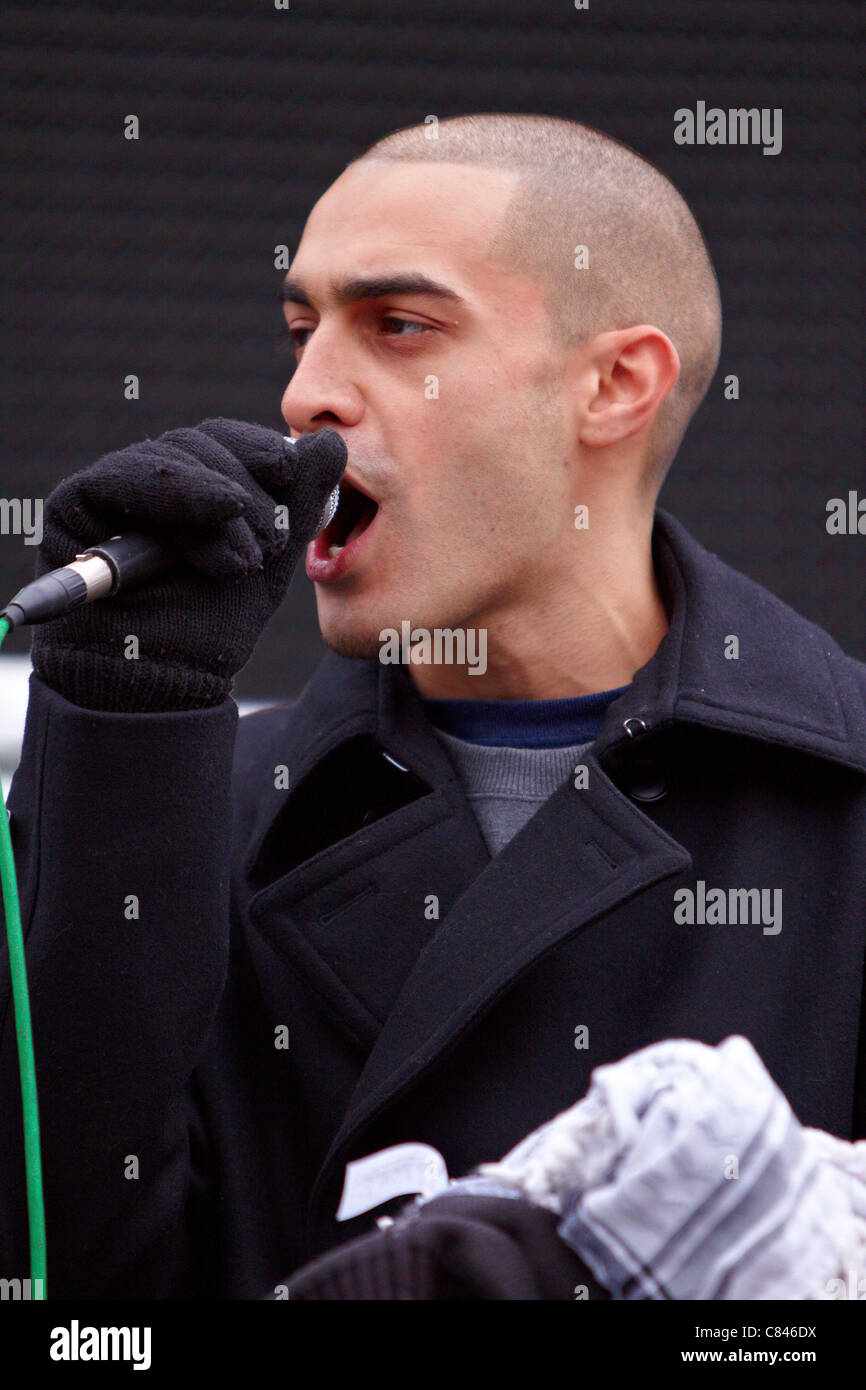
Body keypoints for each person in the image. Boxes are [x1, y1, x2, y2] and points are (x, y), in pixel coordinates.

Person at [2, 113, 865, 1300]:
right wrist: (117, 731)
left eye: (398, 326)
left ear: (615, 383)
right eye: (300, 332)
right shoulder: (202, 818)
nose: (306, 395)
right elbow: (70, 1301)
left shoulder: (843, 810)